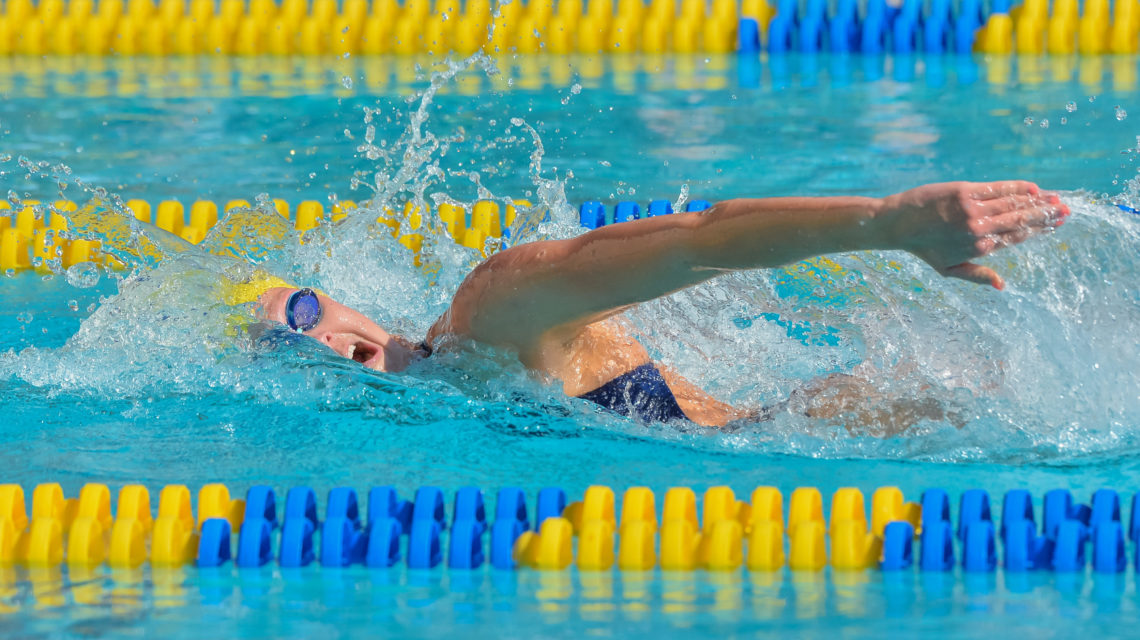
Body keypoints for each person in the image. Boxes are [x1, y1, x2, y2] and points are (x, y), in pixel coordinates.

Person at [246, 180, 1069, 429]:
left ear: (343, 304)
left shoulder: (490, 313)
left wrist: (888, 224)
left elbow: (693, 238)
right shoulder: (457, 394)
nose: (314, 342)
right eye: (285, 348)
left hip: (861, 425)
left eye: (302, 311)